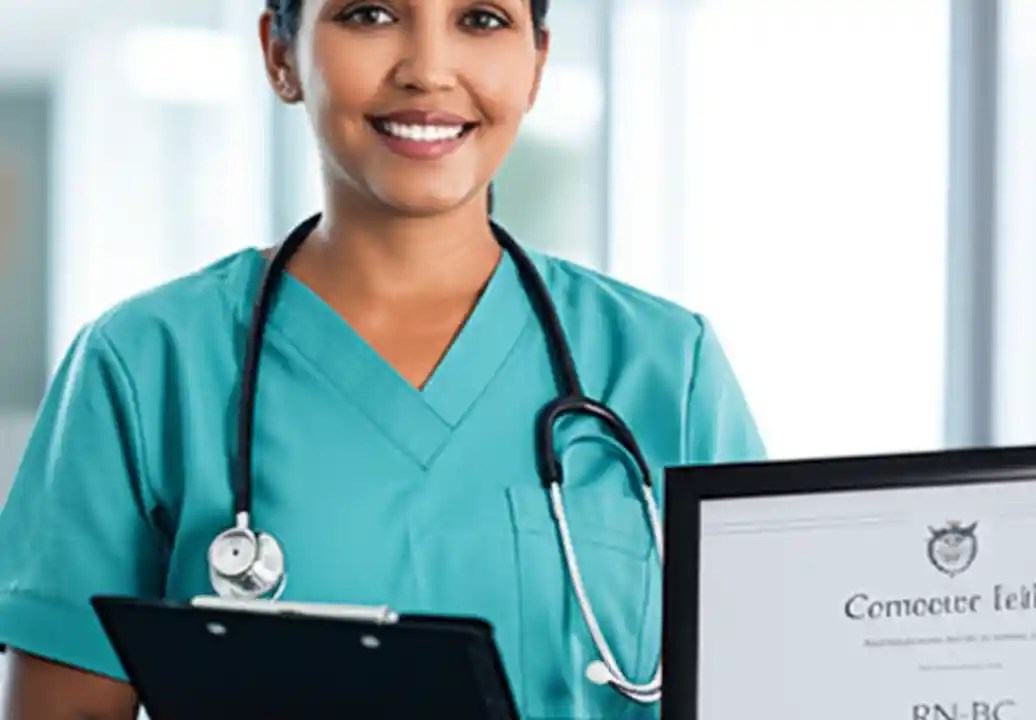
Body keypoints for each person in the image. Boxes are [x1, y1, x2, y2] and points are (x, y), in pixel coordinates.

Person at [0, 0, 764, 717]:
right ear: (280, 56)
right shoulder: (145, 364)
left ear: (535, 63)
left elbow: (768, 686)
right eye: (370, 14)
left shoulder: (668, 365)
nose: (428, 69)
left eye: (480, 18)